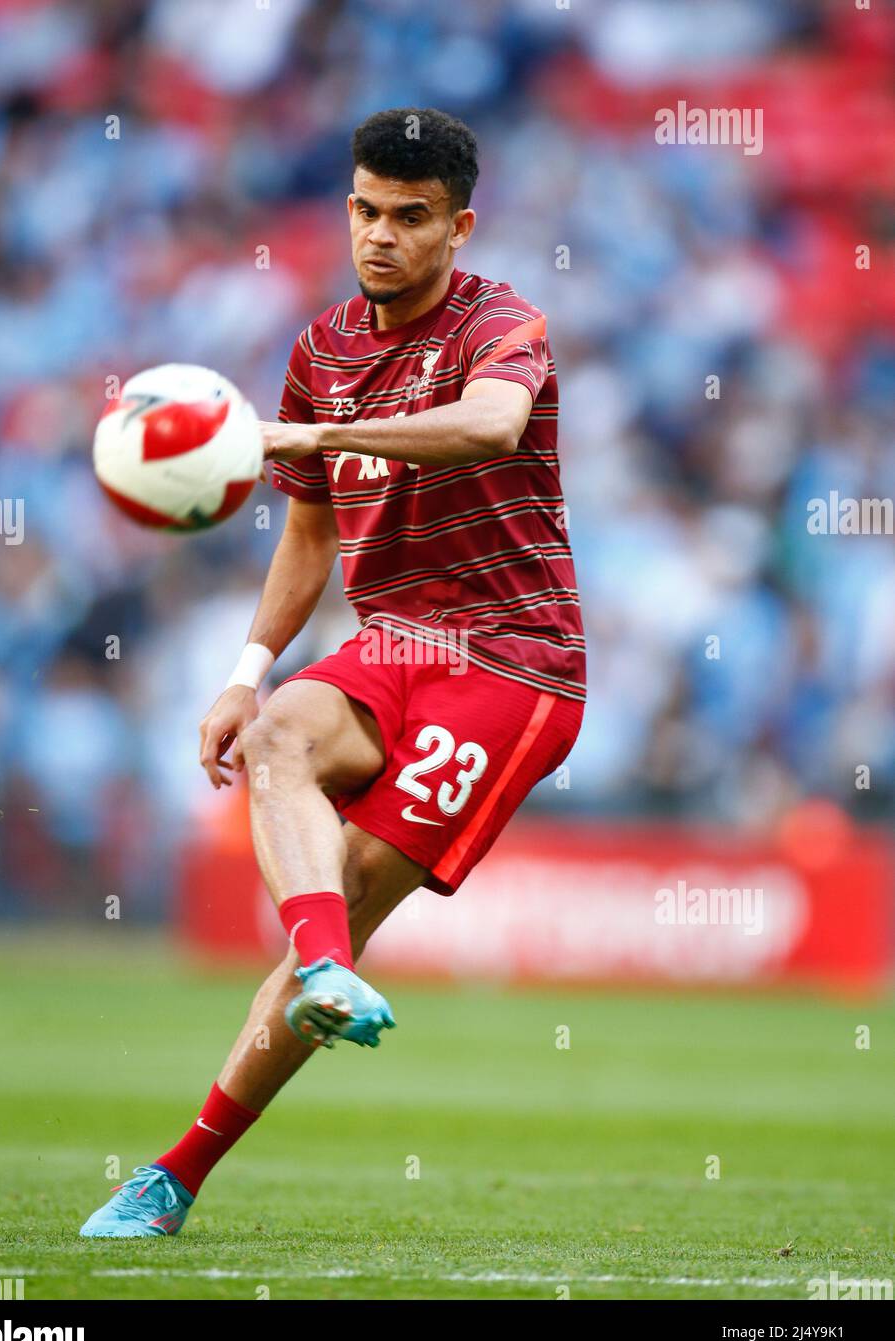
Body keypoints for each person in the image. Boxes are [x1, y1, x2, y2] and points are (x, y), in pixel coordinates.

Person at [80, 107, 586, 1238]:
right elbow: (308, 535)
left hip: (513, 663)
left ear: (459, 227)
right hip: (393, 641)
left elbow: (492, 428)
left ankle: (181, 1167)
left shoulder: (506, 325)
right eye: (365, 210)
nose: (381, 236)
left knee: (346, 900)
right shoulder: (321, 350)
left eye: (411, 218)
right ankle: (315, 979)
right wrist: (246, 669)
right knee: (273, 743)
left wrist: (311, 440)